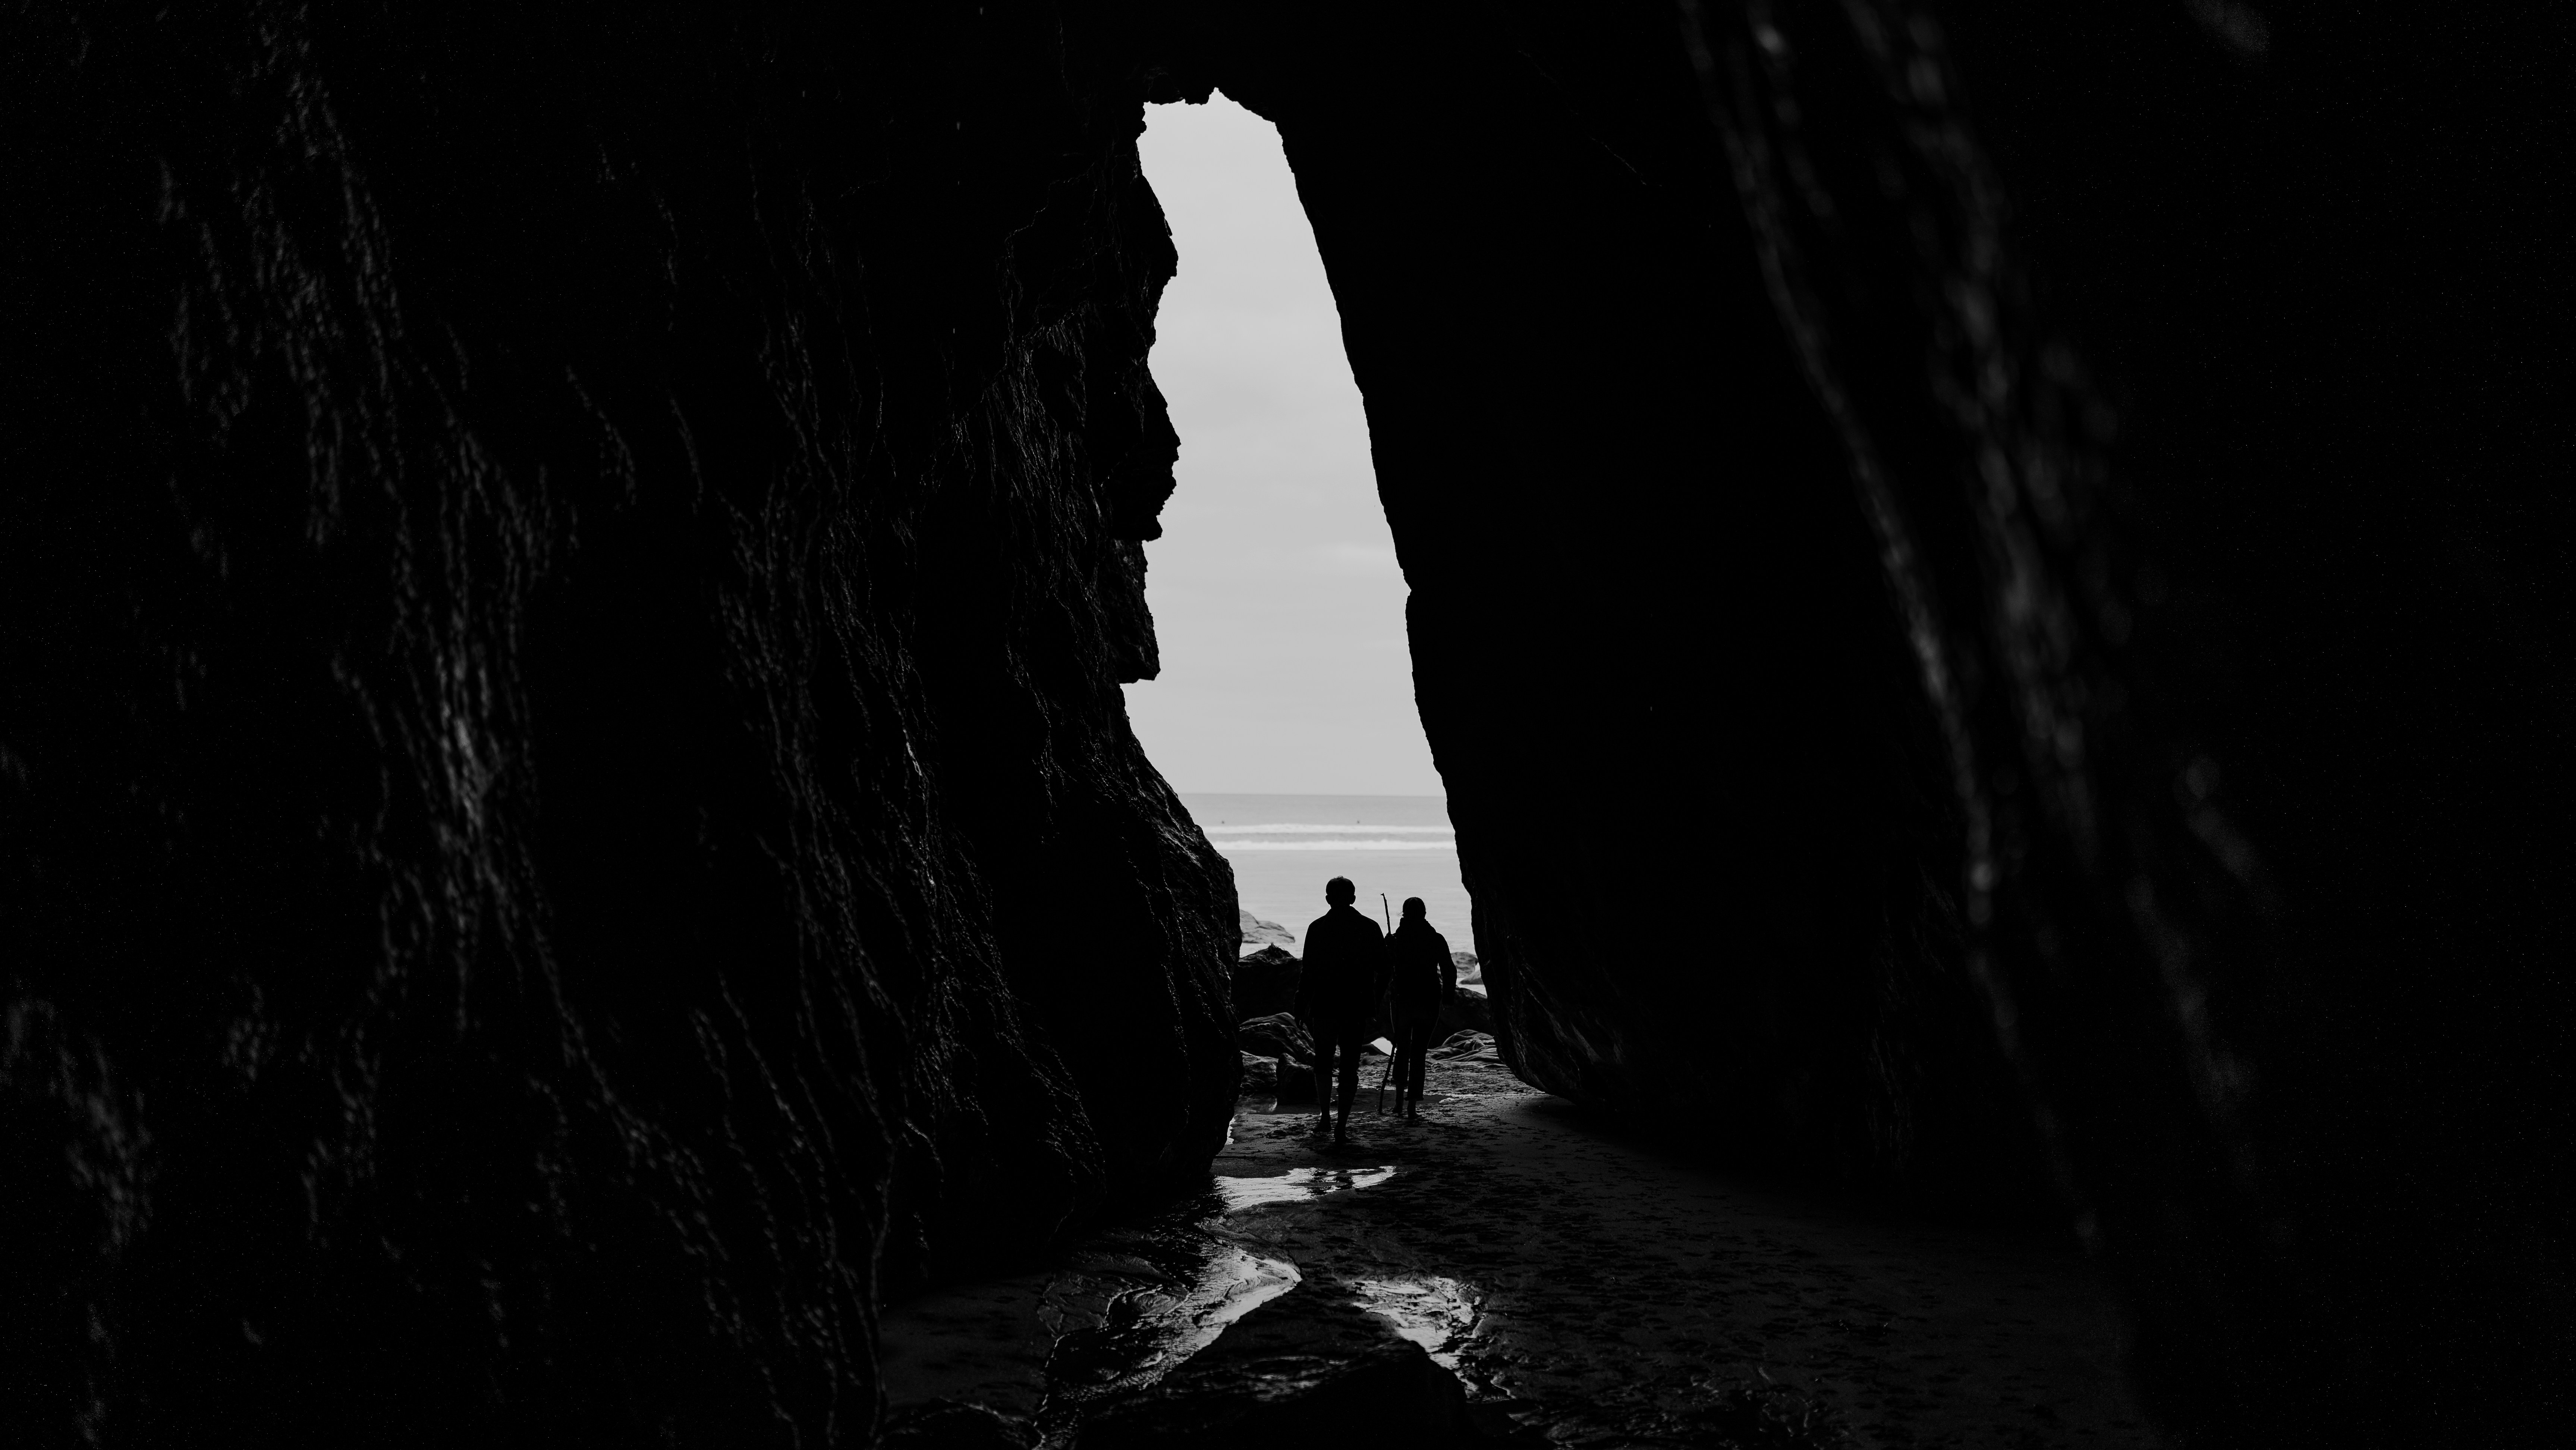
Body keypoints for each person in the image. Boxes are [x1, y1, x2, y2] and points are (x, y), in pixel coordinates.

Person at [1295, 876, 1386, 1145]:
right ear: (1353, 899)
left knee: (1322, 1060)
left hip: (1324, 1004)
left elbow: (1308, 972)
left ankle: (1325, 1117)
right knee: (1349, 1065)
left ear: (1327, 900)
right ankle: (1342, 1126)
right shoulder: (1369, 927)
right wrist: (1375, 1002)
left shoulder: (1318, 928)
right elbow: (1385, 968)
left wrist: (1301, 1004)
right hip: (1357, 1006)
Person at [1382, 897, 1456, 1118]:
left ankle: (1397, 1103)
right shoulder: (1436, 939)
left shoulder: (1394, 939)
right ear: (1424, 914)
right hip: (1429, 1000)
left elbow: (1384, 970)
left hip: (1402, 1000)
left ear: (1403, 915)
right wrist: (1448, 999)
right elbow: (1450, 971)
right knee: (1419, 1053)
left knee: (1402, 1049)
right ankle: (1412, 1105)